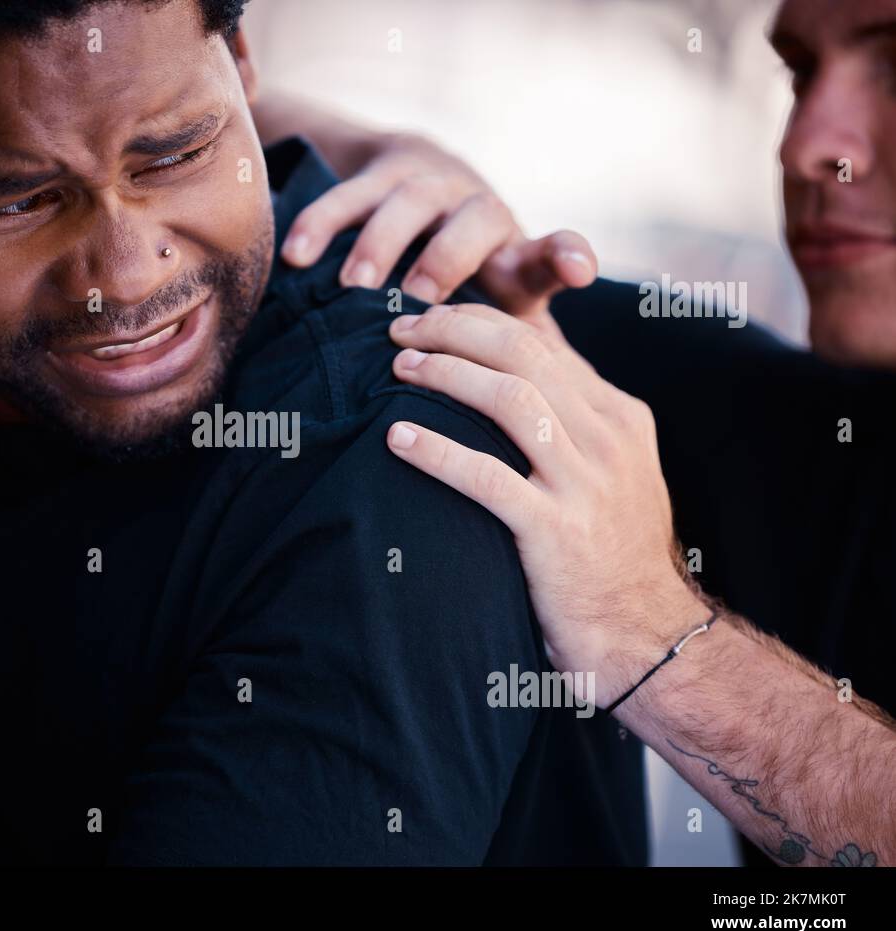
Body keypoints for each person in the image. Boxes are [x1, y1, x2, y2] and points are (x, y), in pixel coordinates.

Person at [0, 0, 628, 865]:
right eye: (17, 200)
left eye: (178, 151)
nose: (127, 275)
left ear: (242, 70)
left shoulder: (397, 486)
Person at [382, 0, 896, 867]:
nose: (806, 143)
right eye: (800, 71)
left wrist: (648, 631)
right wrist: (402, 169)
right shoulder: (804, 428)